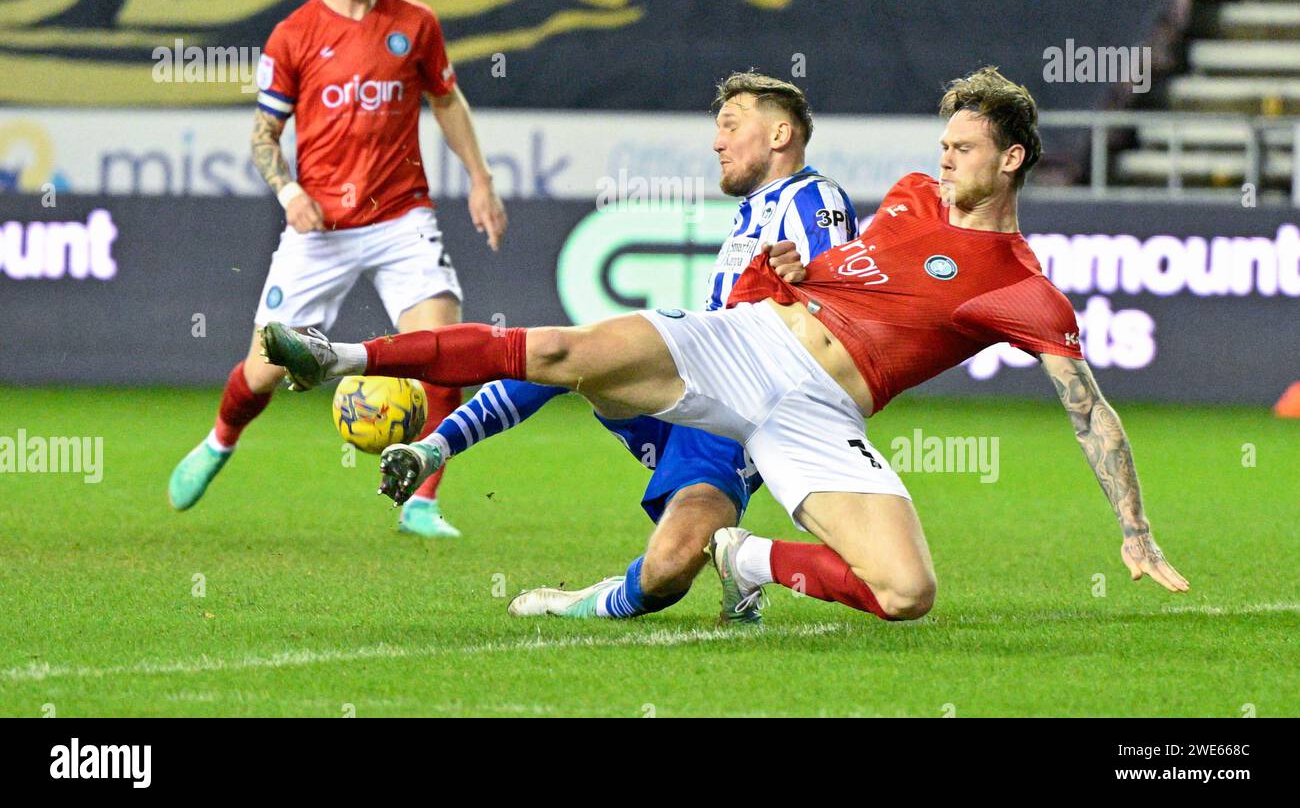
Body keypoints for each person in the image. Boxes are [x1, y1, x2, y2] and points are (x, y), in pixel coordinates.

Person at [263, 66, 1189, 623]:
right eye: (943, 145)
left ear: (1012, 159)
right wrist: (798, 268)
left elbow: (1088, 407)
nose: (943, 160)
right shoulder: (908, 193)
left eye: (964, 149)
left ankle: (742, 558)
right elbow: (862, 271)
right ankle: (339, 355)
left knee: (907, 593)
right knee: (558, 352)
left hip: (824, 414)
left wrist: (1136, 529)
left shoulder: (1020, 284)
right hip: (751, 344)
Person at [426, 73, 856, 622]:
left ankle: (603, 598)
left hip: (734, 424)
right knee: (564, 358)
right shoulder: (755, 210)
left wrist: (812, 277)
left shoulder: (812, 196)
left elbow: (841, 295)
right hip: (693, 392)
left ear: (779, 134)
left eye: (730, 125)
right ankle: (432, 450)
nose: (717, 142)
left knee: (667, 572)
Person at [167, 0, 508, 542]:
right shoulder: (294, 34)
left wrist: (479, 179)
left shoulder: (416, 23)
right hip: (320, 224)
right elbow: (264, 134)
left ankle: (421, 501)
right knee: (264, 366)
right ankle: (219, 441)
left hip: (402, 217)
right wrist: (289, 193)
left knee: (441, 352)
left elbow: (447, 101)